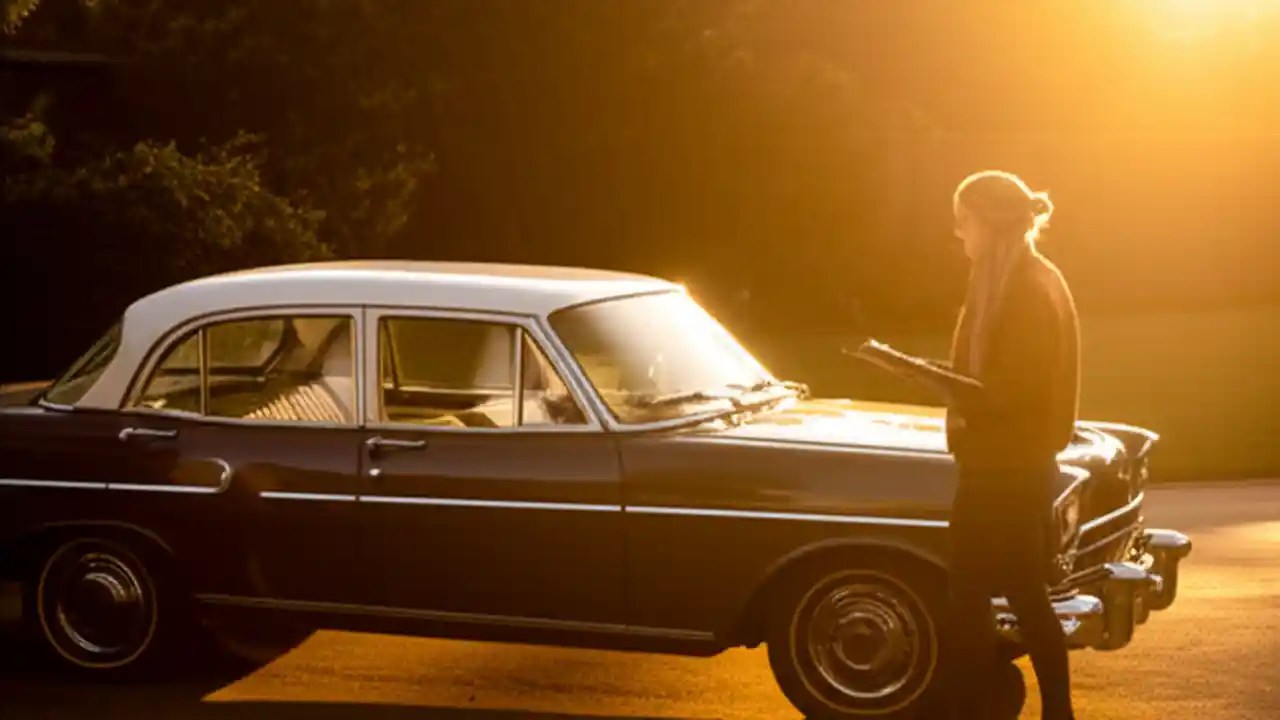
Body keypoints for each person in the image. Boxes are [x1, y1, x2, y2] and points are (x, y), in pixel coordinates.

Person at [942, 170, 1080, 720]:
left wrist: (946, 387)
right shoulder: (1012, 279)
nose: (959, 234)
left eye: (964, 221)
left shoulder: (1022, 290)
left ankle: (974, 708)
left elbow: (1015, 392)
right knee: (1023, 592)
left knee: (967, 597)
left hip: (1004, 468)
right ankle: (1052, 712)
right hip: (1010, 464)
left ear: (988, 226)